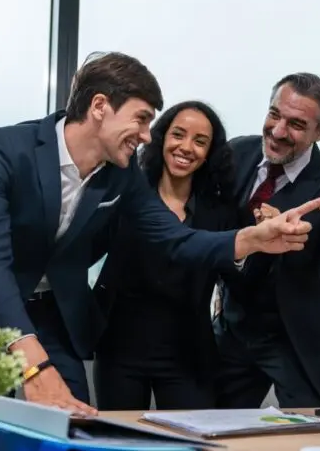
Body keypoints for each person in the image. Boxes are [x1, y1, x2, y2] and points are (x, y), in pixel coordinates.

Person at [0, 52, 320, 415]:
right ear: (99, 107)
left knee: (72, 420)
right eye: (141, 119)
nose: (148, 136)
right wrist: (30, 362)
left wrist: (254, 238)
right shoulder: (5, 148)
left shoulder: (122, 174)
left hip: (50, 311)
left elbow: (174, 238)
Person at [214, 72, 320, 409]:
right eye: (274, 114)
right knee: (211, 430)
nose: (278, 131)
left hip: (296, 339)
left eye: (296, 124)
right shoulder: (234, 155)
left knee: (311, 437)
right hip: (233, 330)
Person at [92, 101, 237, 410]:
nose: (186, 148)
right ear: (161, 138)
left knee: (193, 441)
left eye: (200, 142)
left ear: (210, 152)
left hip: (189, 355)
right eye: (178, 135)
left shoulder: (220, 212)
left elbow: (235, 270)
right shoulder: (126, 193)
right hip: (121, 349)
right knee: (121, 443)